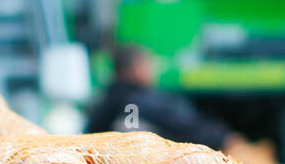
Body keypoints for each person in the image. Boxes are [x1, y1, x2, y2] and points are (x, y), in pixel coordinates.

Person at [86, 44, 242, 152]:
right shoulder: (140, 101)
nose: (153, 70)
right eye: (149, 64)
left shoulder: (105, 103)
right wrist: (224, 137)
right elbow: (185, 125)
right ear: (136, 68)